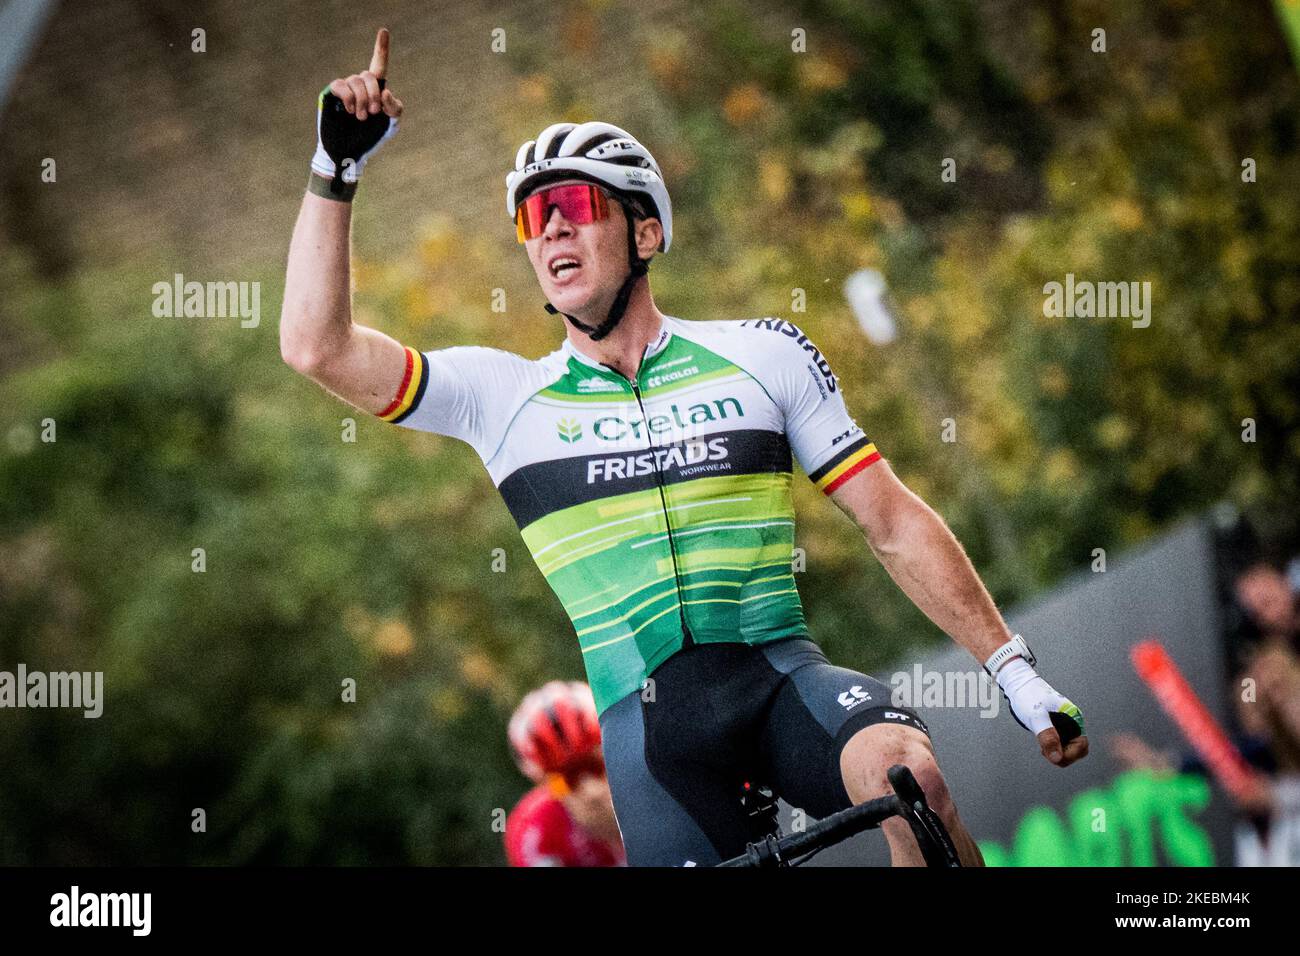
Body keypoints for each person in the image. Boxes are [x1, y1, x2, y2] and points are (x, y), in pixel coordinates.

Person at [280, 29, 1089, 866]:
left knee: (910, 779)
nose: (552, 229)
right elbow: (316, 348)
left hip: (782, 682)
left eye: (577, 205)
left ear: (646, 233)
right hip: (653, 740)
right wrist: (336, 168)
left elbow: (890, 520)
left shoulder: (763, 355)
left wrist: (1017, 675)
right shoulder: (502, 399)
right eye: (533, 214)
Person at [503, 681, 626, 867]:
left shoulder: (660, 786)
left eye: (595, 766)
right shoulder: (535, 829)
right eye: (567, 779)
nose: (591, 791)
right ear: (543, 784)